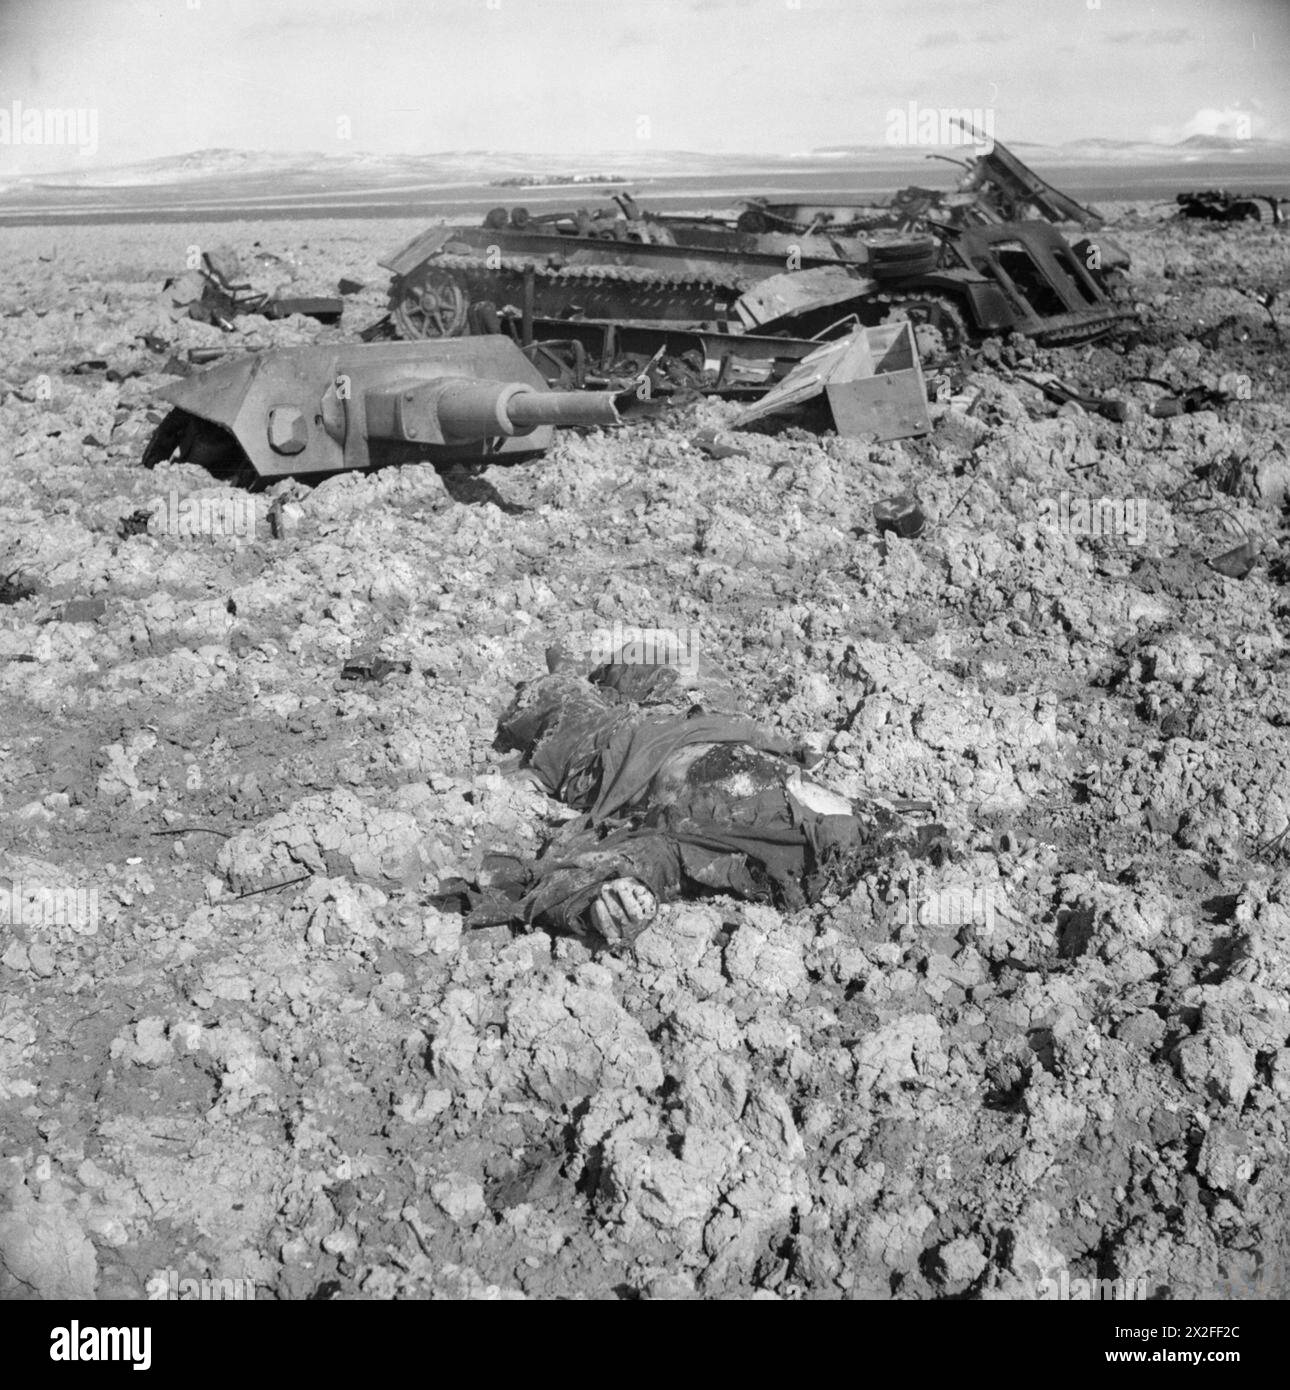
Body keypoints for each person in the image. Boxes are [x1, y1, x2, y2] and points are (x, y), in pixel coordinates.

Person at [435, 654, 946, 945]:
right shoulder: (858, 824)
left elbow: (664, 852)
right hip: (704, 712)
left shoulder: (768, 859)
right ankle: (597, 667)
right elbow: (903, 827)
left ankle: (570, 673)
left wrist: (615, 892)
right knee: (665, 662)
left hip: (617, 752)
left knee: (547, 694)